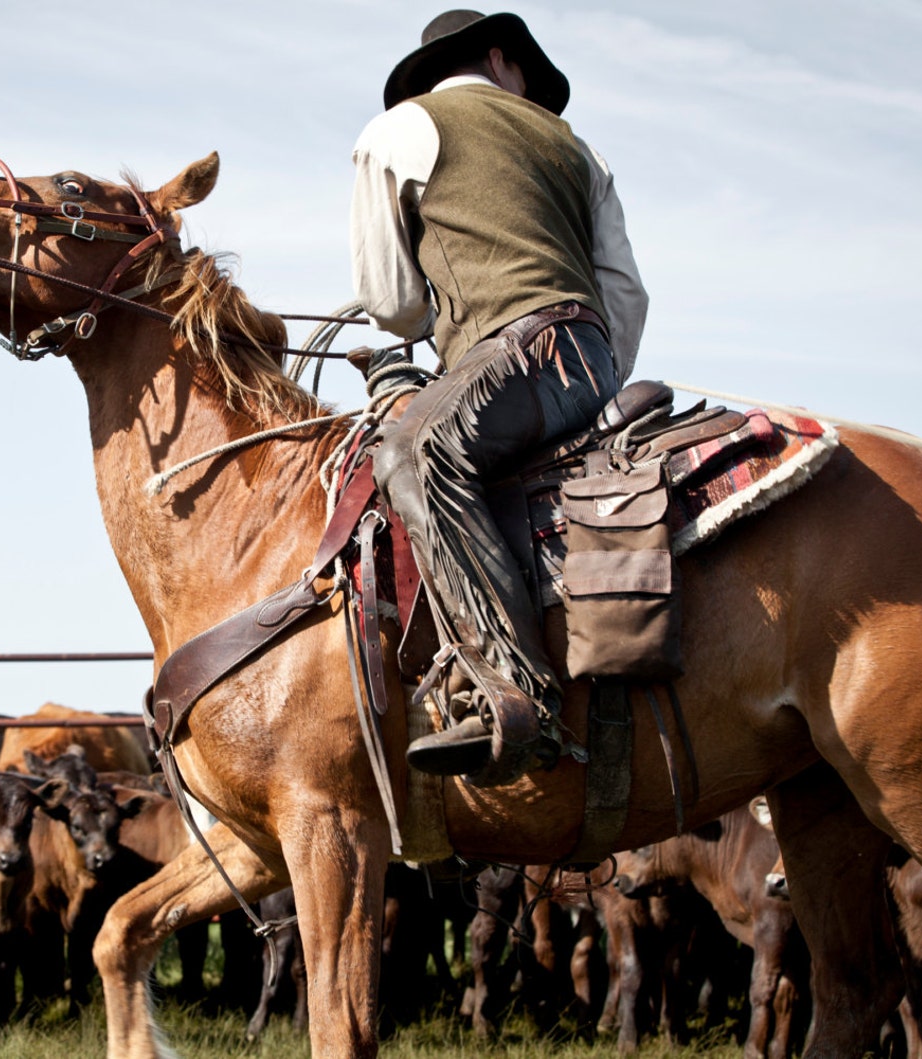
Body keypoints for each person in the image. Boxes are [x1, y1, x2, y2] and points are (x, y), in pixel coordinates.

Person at [349, 10, 648, 781]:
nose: (527, 95)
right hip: (592, 361)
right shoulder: (578, 147)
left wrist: (448, 328)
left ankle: (517, 691)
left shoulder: (398, 130)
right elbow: (625, 291)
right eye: (526, 78)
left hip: (514, 356)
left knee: (411, 454)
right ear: (499, 59)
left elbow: (392, 306)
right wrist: (597, 384)